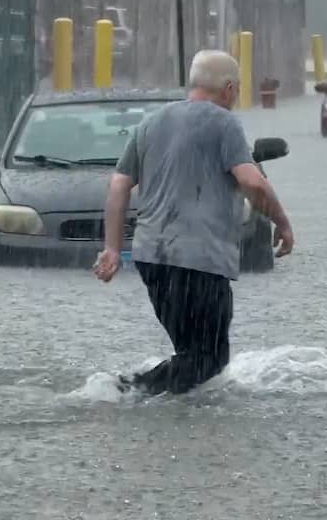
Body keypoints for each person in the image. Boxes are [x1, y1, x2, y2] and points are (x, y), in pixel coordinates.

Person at [93, 49, 294, 395]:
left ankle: (147, 405)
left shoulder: (151, 123)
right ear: (229, 88)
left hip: (152, 259)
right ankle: (127, 390)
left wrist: (112, 248)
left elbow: (118, 184)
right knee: (209, 360)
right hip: (200, 260)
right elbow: (253, 182)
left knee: (193, 356)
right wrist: (282, 222)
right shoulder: (224, 122)